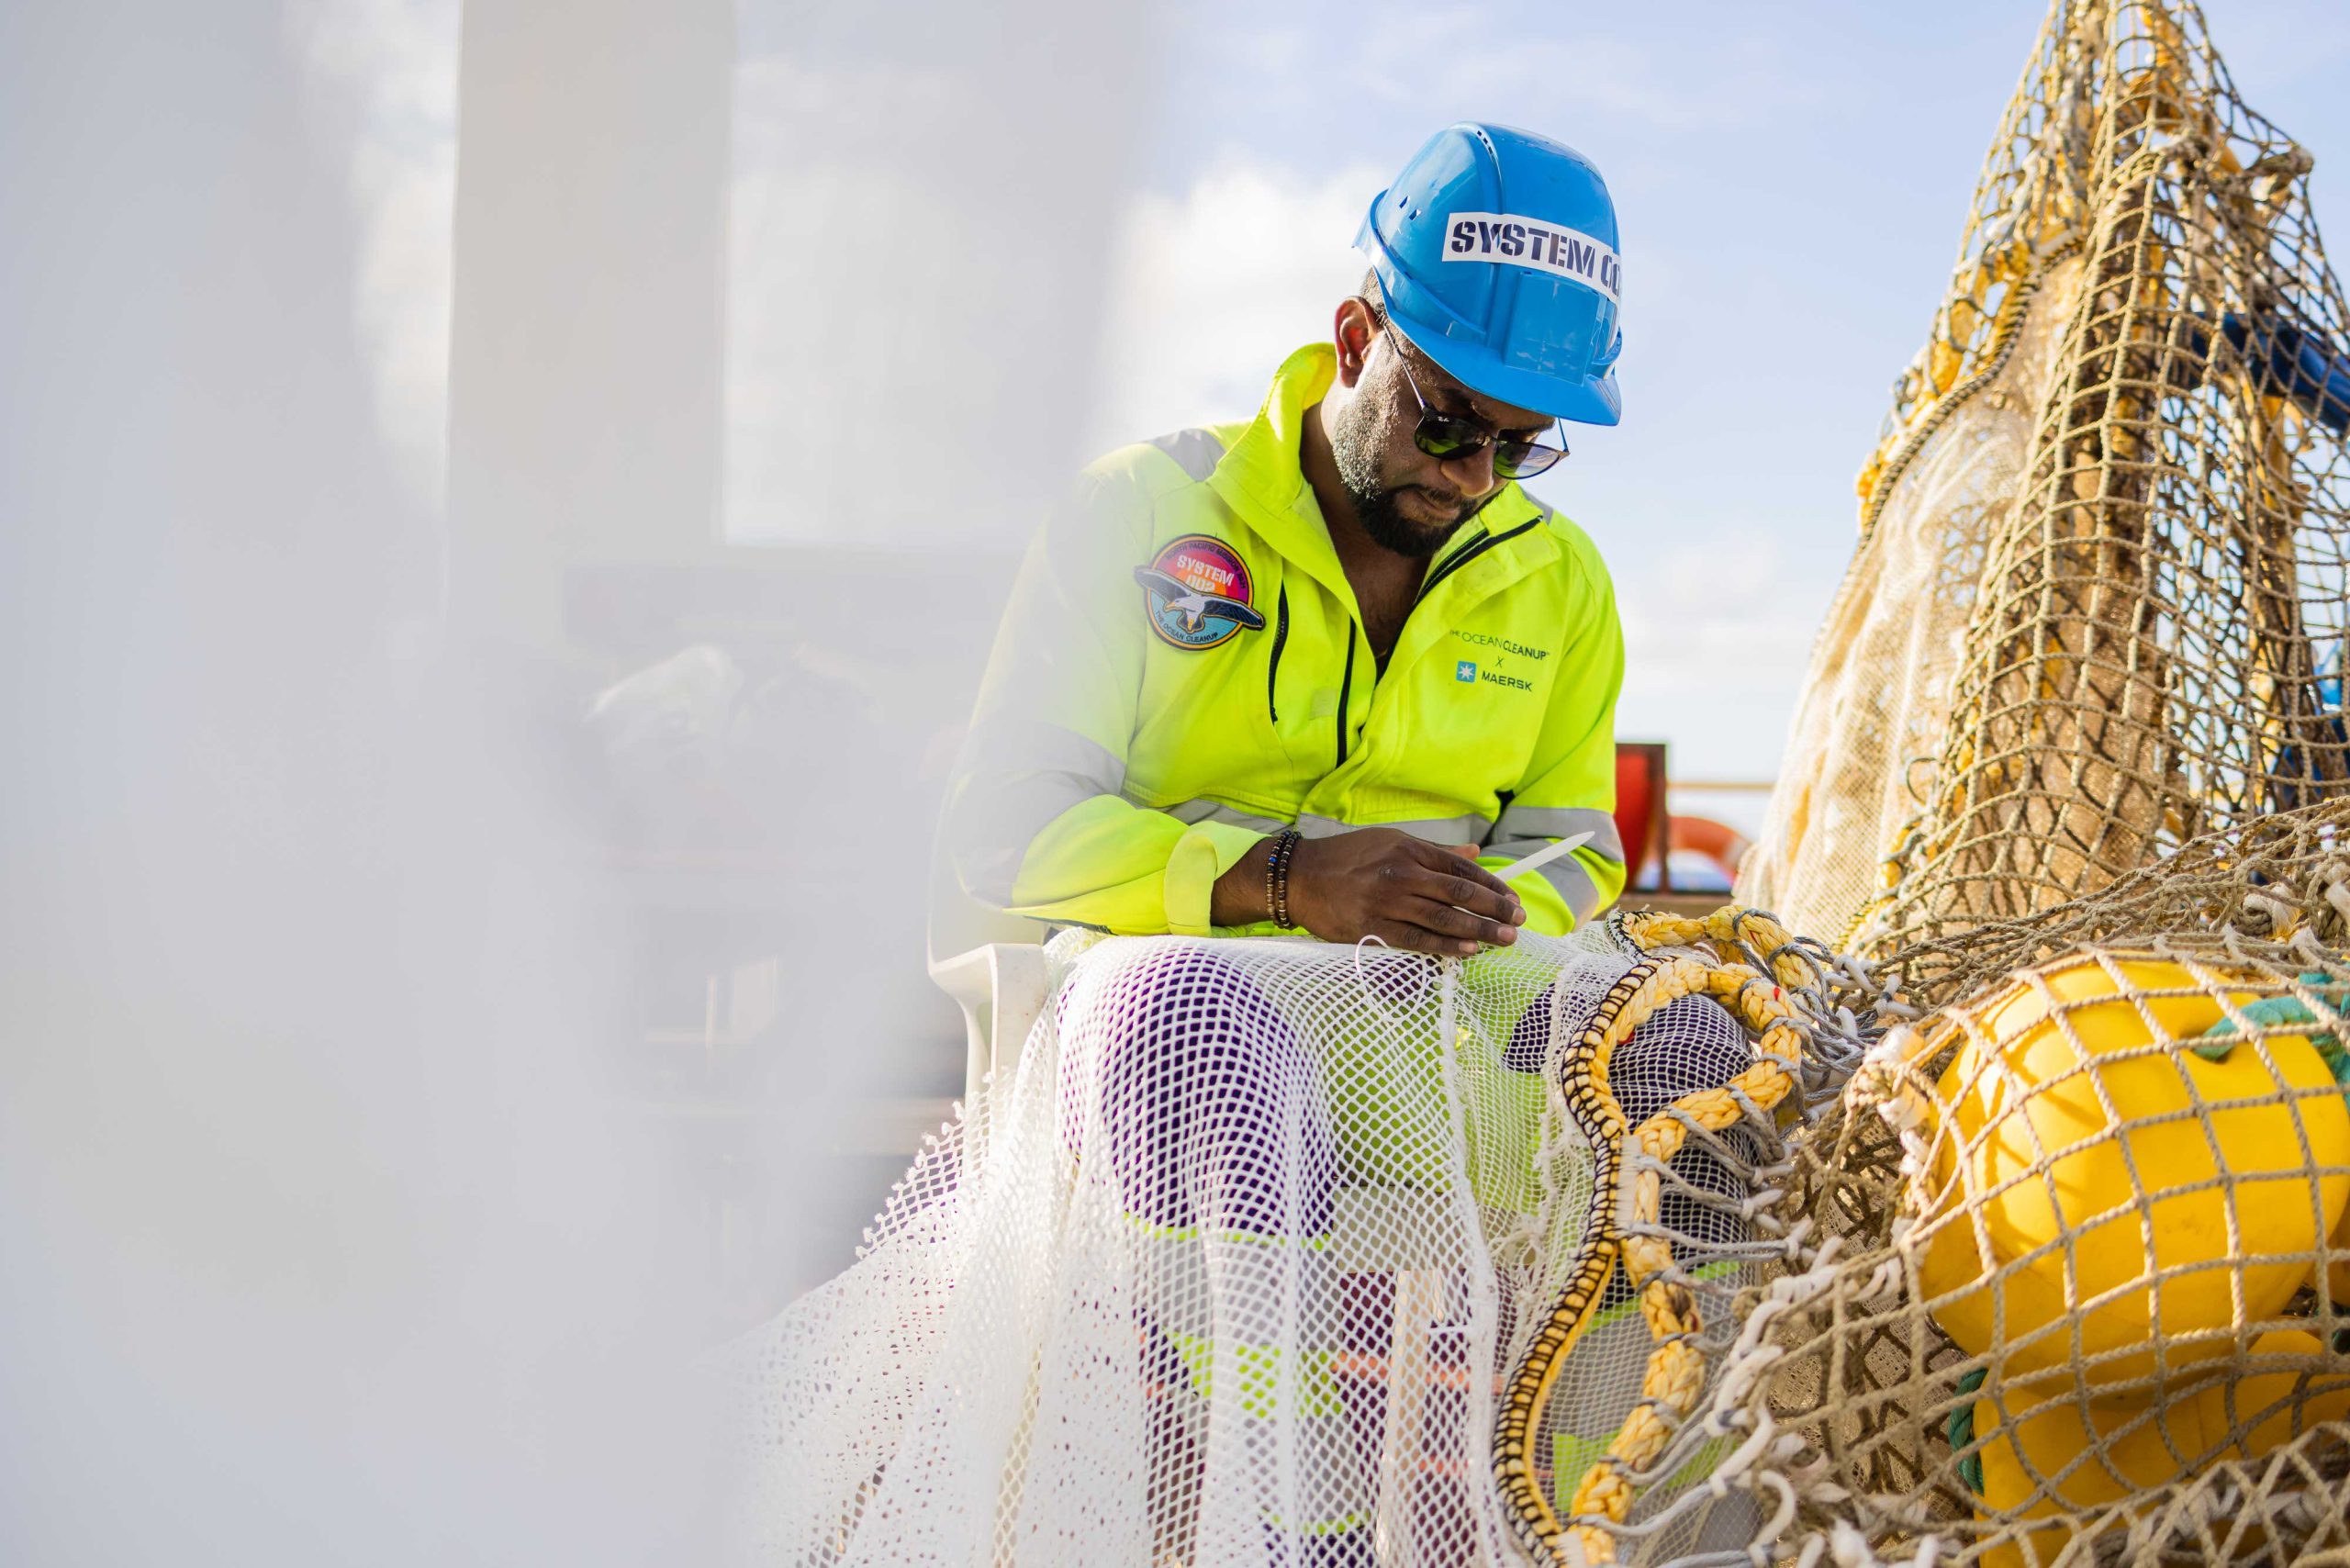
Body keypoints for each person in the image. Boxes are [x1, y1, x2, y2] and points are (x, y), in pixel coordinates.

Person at [934, 124, 1645, 1562]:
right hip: (1173, 1030)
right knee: (1185, 1024)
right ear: (1352, 338)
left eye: (1525, 445)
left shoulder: (1561, 581)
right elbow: (999, 829)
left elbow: (1582, 854)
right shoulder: (1144, 511)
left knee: (1690, 1069)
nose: (1477, 474)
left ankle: (1596, 1514)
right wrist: (1280, 885)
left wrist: (1488, 911)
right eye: (1449, 420)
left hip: (1425, 1035)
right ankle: (1292, 1519)